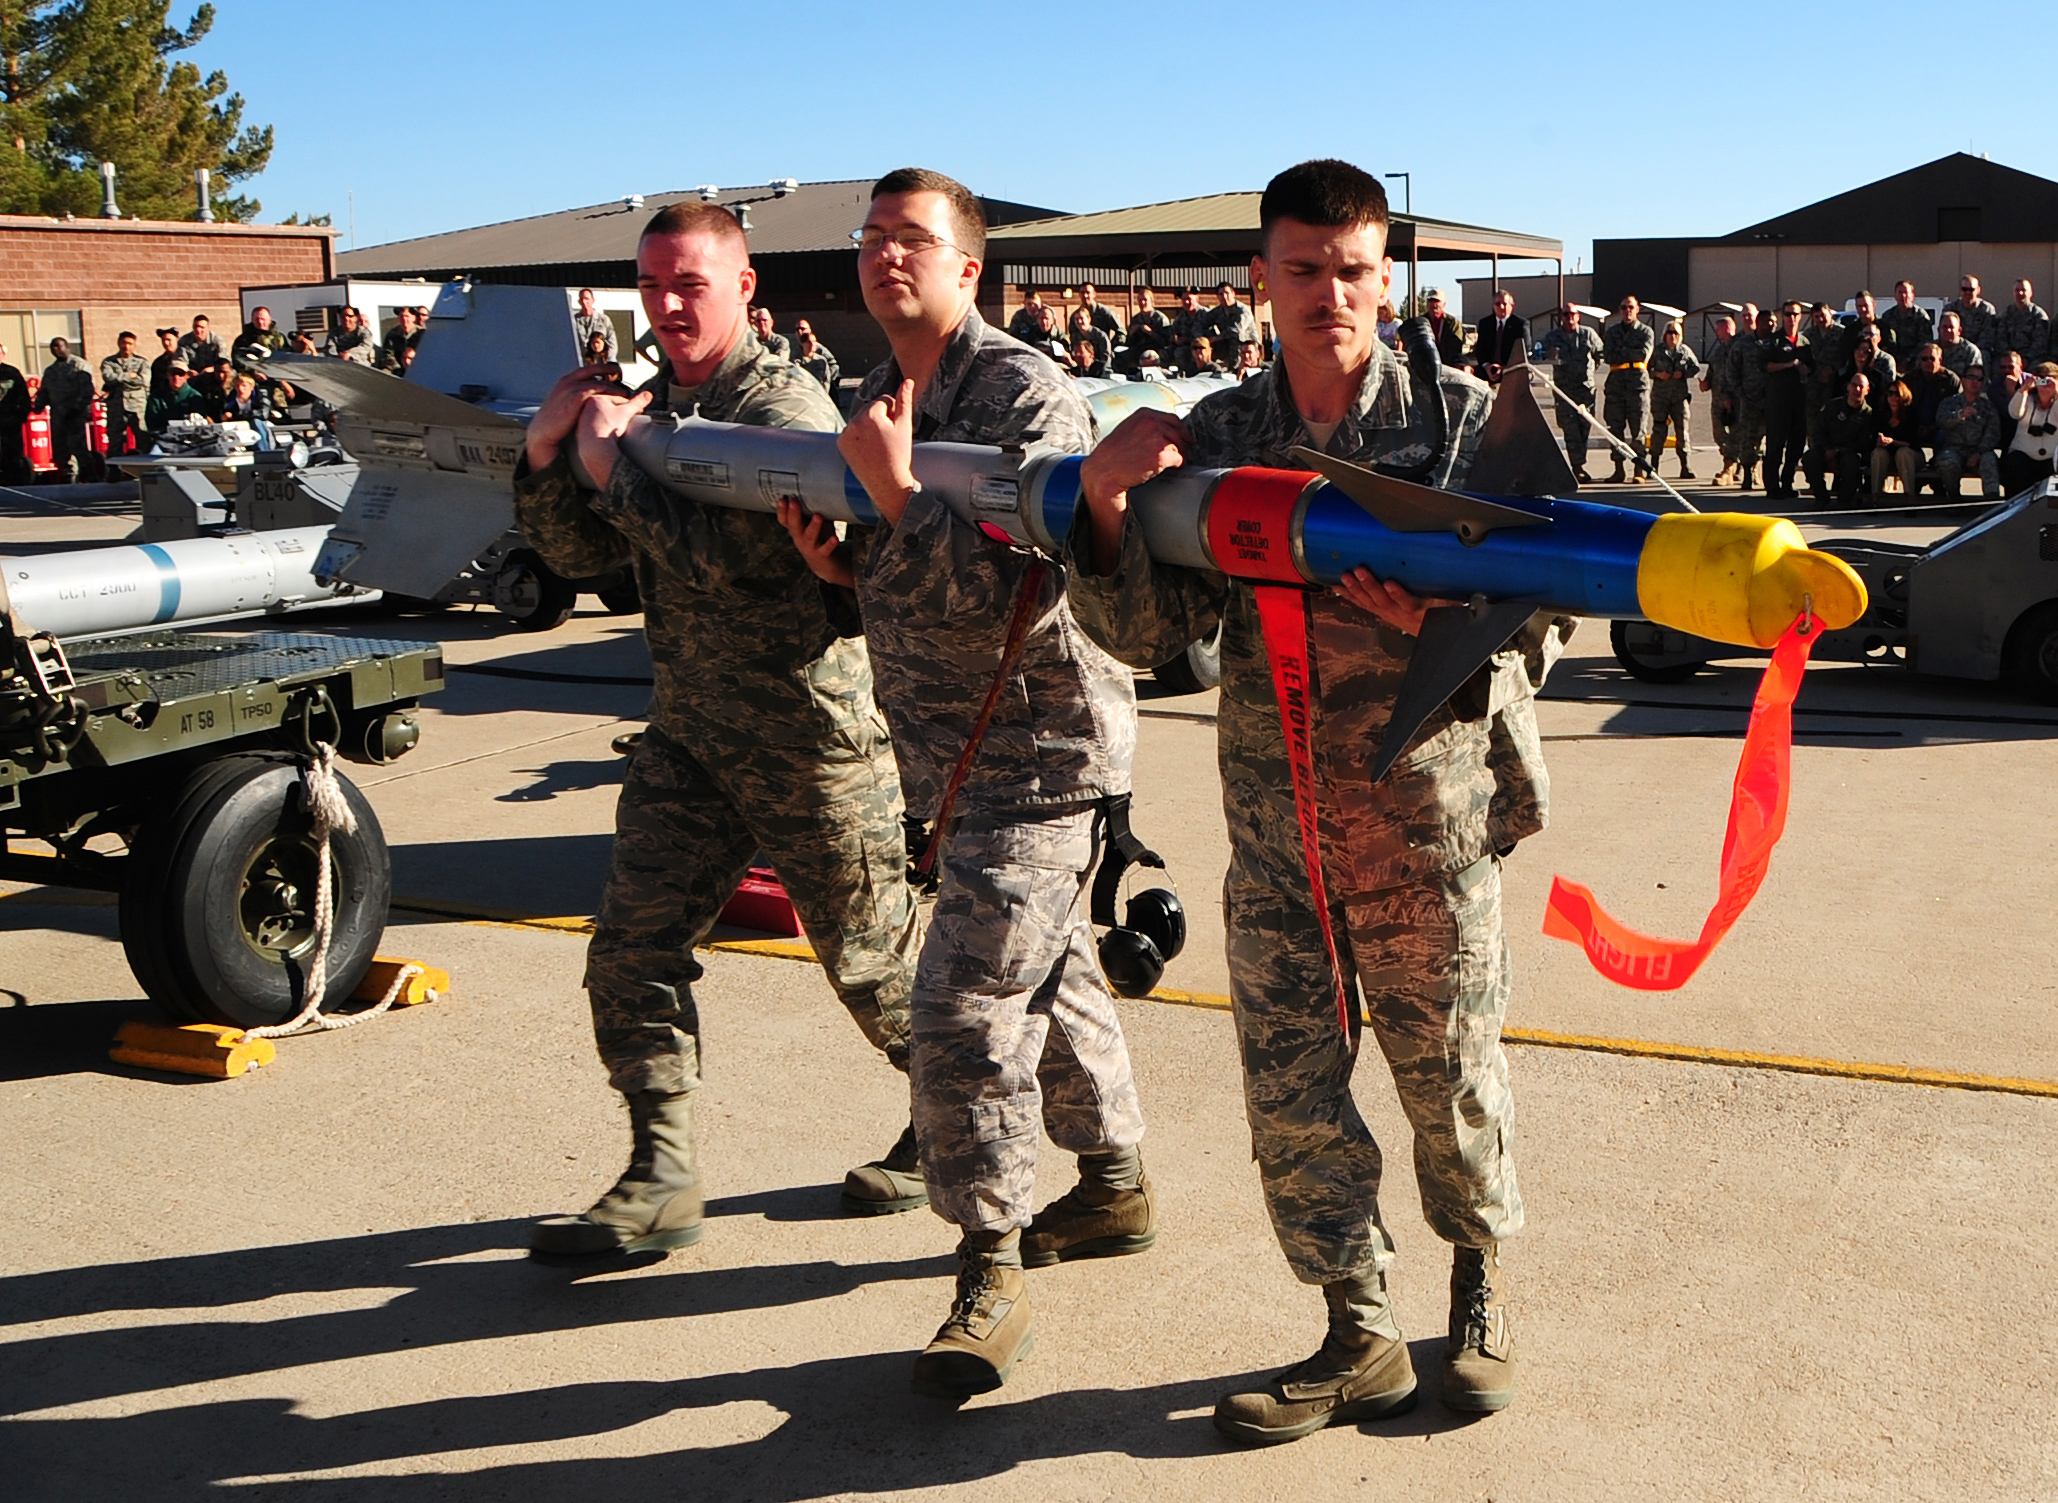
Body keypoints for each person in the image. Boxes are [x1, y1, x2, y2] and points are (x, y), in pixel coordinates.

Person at [1070, 158, 1550, 1443]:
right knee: (1289, 1095)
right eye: (1302, 270)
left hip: (1423, 831)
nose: (1328, 294)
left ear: (1385, 276)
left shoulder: (1456, 425)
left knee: (1448, 1080)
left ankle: (1480, 1279)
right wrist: (1106, 502)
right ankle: (1357, 1329)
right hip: (1276, 833)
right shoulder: (1220, 435)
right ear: (1260, 279)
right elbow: (1146, 633)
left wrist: (1454, 621)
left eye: (1352, 270)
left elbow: (1542, 620)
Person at [778, 165, 1153, 1405]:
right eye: (874, 238)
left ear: (968, 266)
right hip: (948, 751)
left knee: (963, 1009)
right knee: (1053, 975)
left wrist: (892, 497)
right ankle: (1113, 1188)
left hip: (1041, 753)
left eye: (915, 240)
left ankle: (989, 1268)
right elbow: (903, 582)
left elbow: (1028, 584)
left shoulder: (1023, 394)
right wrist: (843, 562)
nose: (890, 257)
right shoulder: (877, 392)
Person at [512, 200, 928, 1261]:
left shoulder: (778, 405)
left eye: (689, 283)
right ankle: (661, 1171)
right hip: (693, 734)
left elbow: (749, 557)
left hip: (808, 737)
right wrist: (546, 452)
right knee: (632, 949)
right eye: (651, 285)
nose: (666, 304)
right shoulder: (648, 404)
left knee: (878, 972)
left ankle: (976, 1132)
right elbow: (575, 560)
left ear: (743, 288)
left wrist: (613, 469)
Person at [1539, 305, 1603, 483]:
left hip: (1585, 390)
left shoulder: (1588, 334)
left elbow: (1601, 354)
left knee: (1584, 428)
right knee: (1570, 428)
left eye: (1572, 314)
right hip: (1564, 390)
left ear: (1578, 316)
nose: (1569, 317)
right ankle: (1577, 467)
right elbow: (1538, 352)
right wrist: (1547, 354)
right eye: (1565, 315)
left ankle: (1579, 463)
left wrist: (1592, 370)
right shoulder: (1553, 337)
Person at [1759, 302, 1812, 500]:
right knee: (1775, 444)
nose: (1792, 318)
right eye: (1788, 314)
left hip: (1799, 400)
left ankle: (1787, 481)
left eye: (1795, 314)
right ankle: (1772, 485)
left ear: (1800, 317)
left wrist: (1806, 369)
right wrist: (1788, 365)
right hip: (1778, 400)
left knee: (1796, 444)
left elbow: (1812, 367)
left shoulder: (1805, 342)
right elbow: (1764, 365)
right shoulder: (1773, 341)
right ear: (1782, 317)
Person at [1601, 295, 1655, 482]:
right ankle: (1618, 469)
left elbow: (1643, 354)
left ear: (1637, 309)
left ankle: (1639, 470)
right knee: (1615, 429)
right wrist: (1628, 355)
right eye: (1624, 307)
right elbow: (1608, 355)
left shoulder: (1646, 332)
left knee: (1638, 429)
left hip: (1637, 386)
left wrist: (1622, 353)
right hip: (1616, 385)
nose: (1627, 311)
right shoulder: (1612, 332)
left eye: (1631, 307)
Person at [1805, 372, 1878, 504]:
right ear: (1848, 387)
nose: (1857, 390)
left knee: (1851, 464)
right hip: (1827, 448)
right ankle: (1821, 497)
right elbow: (1818, 431)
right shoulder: (1833, 406)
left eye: (1861, 387)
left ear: (1867, 391)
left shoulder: (1868, 413)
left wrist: (1838, 451)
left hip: (1849, 452)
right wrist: (1828, 449)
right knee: (1810, 458)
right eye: (1854, 385)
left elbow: (1863, 442)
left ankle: (1845, 500)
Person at [31, 336, 95, 481]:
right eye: (53, 347)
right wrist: (38, 406)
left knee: (77, 445)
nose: (56, 350)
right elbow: (45, 391)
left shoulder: (78, 365)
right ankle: (67, 475)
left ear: (67, 347)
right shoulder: (50, 371)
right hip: (58, 414)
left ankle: (88, 474)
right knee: (60, 447)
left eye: (59, 346)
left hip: (75, 414)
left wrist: (77, 408)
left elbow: (87, 390)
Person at [1932, 367, 2002, 499]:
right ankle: (1954, 499)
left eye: (1979, 379)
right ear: (1963, 380)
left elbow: (1993, 433)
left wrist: (1979, 452)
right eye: (1971, 377)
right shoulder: (1949, 402)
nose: (1975, 382)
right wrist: (1959, 415)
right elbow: (1941, 421)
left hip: (1979, 450)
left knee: (1989, 460)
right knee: (1947, 462)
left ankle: (1990, 502)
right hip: (1954, 448)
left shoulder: (1988, 406)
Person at [1646, 319, 1701, 480]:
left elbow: (1696, 367)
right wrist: (1657, 375)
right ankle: (1653, 465)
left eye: (1676, 333)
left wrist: (1683, 374)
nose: (1672, 336)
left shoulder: (1684, 351)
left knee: (1682, 431)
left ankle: (1685, 466)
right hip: (1660, 397)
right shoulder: (1657, 351)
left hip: (1679, 397)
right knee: (1658, 430)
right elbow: (1646, 368)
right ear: (1664, 335)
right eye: (1669, 332)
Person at [1727, 306, 1769, 490]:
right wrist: (1738, 392)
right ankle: (1746, 473)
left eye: (1773, 322)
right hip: (1749, 399)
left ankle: (1767, 476)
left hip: (1772, 400)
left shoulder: (1776, 342)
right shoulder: (1743, 344)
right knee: (1748, 438)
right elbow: (1731, 369)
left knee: (1770, 440)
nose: (1770, 325)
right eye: (1766, 322)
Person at [2002, 360, 2058, 493]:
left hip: (2050, 461)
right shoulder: (2026, 398)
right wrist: (2023, 390)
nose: (2044, 385)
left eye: (2048, 379)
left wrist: (2056, 393)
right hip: (2023, 456)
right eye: (2041, 380)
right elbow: (2014, 413)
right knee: (2013, 465)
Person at [1701, 314, 1740, 484]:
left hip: (1735, 401)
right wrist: (1705, 383)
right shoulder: (1717, 351)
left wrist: (1731, 397)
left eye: (1719, 329)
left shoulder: (1738, 348)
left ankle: (1728, 470)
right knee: (1719, 435)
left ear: (1729, 328)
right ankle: (1733, 464)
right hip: (1717, 401)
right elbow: (1712, 372)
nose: (1717, 333)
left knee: (1735, 436)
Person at [99, 331, 150, 456]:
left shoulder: (142, 362)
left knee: (144, 439)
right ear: (118, 343)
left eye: (129, 343)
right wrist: (129, 376)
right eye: (123, 343)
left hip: (137, 406)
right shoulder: (109, 362)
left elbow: (143, 380)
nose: (126, 346)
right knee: (115, 441)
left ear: (134, 345)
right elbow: (108, 378)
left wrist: (119, 379)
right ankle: (114, 473)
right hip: (116, 406)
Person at [1869, 379, 1921, 499]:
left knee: (1903, 453)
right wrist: (1878, 441)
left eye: (1897, 393)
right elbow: (1871, 437)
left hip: (1911, 456)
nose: (1893, 397)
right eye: (1890, 393)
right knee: (1878, 453)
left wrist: (1892, 442)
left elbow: (1913, 443)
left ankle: (1909, 497)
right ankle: (1875, 496)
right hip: (1887, 456)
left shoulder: (1911, 413)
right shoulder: (1880, 413)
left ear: (1903, 395)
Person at [1470, 289, 1527, 385]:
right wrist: (1487, 366)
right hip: (1488, 370)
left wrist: (1504, 368)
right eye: (1497, 304)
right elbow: (1480, 349)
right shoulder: (1485, 323)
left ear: (1512, 306)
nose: (1501, 307)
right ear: (1493, 306)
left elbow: (1524, 348)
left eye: (1504, 304)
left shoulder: (1520, 324)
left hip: (1511, 369)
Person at [1945, 275, 2000, 373]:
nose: (1967, 293)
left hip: (1979, 348)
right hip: (1956, 346)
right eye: (1964, 289)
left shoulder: (1986, 310)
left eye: (1971, 289)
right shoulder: (1950, 308)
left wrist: (1970, 350)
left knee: (1984, 356)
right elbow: (1945, 333)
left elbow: (1987, 337)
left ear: (1978, 290)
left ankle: (1981, 386)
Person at [1877, 281, 1934, 370]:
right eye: (1900, 292)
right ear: (1895, 296)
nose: (1903, 296)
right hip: (1893, 361)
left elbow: (1925, 342)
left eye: (1906, 292)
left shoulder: (1920, 316)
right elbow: (1883, 342)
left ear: (1912, 295)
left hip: (1915, 361)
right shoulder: (1888, 316)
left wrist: (1907, 360)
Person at [1998, 280, 2050, 369]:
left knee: (2039, 369)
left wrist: (2026, 359)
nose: (2020, 293)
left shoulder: (2038, 315)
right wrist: (2011, 358)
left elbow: (2040, 342)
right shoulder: (2006, 314)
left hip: (2032, 358)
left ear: (2031, 293)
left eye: (2024, 290)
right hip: (2010, 358)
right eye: (2017, 290)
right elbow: (2001, 338)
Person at [144, 356, 205, 431]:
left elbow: (200, 425)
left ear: (187, 376)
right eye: (173, 373)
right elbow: (152, 422)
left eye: (180, 374)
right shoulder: (156, 397)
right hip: (163, 437)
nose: (176, 377)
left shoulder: (195, 397)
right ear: (168, 375)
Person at [0, 343, 31, 483]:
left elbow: (23, 396)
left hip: (9, 421)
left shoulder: (11, 373)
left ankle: (14, 479)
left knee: (12, 453)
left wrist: (21, 416)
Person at [1206, 280, 1260, 354]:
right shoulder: (1217, 311)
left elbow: (1236, 330)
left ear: (1233, 294)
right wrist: (1204, 338)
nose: (1224, 297)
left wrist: (1216, 338)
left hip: (1247, 345)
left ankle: (1235, 365)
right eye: (1221, 294)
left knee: (1234, 339)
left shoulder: (1243, 310)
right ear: (1217, 297)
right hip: (1226, 343)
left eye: (1227, 293)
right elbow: (1203, 321)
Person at [1422, 286, 1467, 367]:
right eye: (1430, 300)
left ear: (1444, 304)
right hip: (1426, 363)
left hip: (1448, 363)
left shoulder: (1453, 322)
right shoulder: (1421, 321)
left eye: (1437, 301)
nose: (1433, 304)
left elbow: (1456, 347)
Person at [1125, 288, 1171, 369]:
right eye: (1140, 300)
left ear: (1152, 302)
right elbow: (1129, 343)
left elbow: (1166, 341)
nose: (1142, 303)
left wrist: (1150, 332)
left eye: (1145, 300)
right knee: (1122, 356)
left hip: (1156, 349)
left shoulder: (1160, 318)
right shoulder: (1136, 319)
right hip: (1140, 348)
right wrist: (1131, 334)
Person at [792, 318, 839, 393]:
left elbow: (834, 365)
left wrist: (824, 377)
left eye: (803, 328)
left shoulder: (817, 348)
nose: (800, 331)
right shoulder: (795, 349)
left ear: (809, 330)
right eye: (797, 329)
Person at [573, 288, 618, 364]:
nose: (584, 302)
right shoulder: (573, 320)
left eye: (587, 299)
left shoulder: (604, 320)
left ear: (593, 300)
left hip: (601, 362)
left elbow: (612, 343)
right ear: (579, 302)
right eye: (582, 299)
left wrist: (607, 361)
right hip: (580, 363)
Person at [1937, 311, 1982, 380]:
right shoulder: (1931, 350)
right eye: (1944, 327)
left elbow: (1975, 379)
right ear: (1938, 330)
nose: (1948, 330)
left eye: (1951, 327)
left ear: (1959, 331)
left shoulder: (1970, 351)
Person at [1076, 282, 1123, 347]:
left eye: (1088, 292)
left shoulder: (1105, 312)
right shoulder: (1076, 316)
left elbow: (1121, 332)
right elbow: (1073, 335)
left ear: (1094, 294)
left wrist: (1109, 346)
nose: (1085, 295)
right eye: (1082, 292)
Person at [1169, 287, 1208, 362]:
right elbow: (1174, 331)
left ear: (1197, 299)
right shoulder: (1181, 317)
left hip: (1201, 348)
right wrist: (1175, 338)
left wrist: (1188, 340)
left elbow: (1209, 336)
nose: (1186, 302)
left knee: (1180, 352)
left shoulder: (1206, 314)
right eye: (1184, 299)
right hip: (1185, 346)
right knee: (1164, 352)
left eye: (1189, 299)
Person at [1067, 306, 1112, 370]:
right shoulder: (1075, 337)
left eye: (1081, 318)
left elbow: (1106, 358)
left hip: (1100, 369)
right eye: (1076, 319)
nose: (1079, 321)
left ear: (1089, 319)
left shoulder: (1100, 336)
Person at [380, 307, 421, 372]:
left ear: (414, 318)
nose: (404, 318)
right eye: (401, 316)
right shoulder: (392, 334)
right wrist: (397, 368)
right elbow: (388, 354)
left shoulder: (421, 333)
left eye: (407, 316)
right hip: (396, 368)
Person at [149, 327, 182, 400]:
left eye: (169, 340)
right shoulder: (159, 362)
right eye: (163, 340)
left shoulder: (185, 358)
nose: (166, 343)